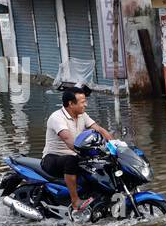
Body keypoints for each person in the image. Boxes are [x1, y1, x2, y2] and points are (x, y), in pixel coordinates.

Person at [42, 87, 113, 215]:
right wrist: (90, 153)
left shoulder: (82, 115)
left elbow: (99, 130)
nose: (85, 104)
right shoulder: (57, 117)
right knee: (72, 160)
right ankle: (75, 201)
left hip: (75, 156)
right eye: (82, 102)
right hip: (53, 158)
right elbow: (68, 140)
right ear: (71, 103)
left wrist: (114, 145)